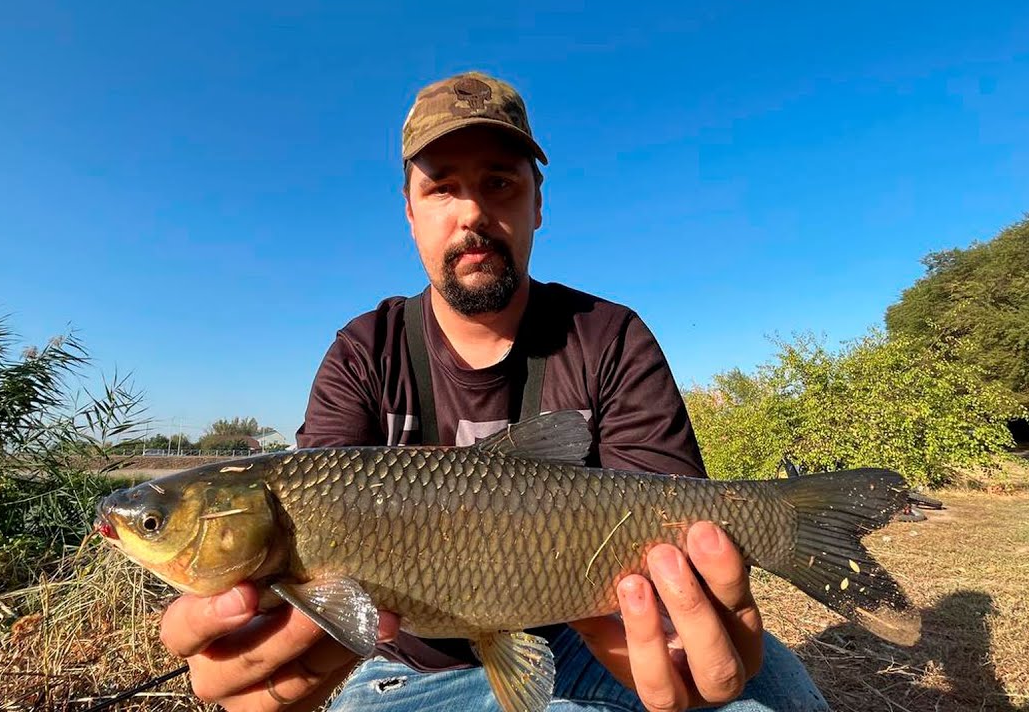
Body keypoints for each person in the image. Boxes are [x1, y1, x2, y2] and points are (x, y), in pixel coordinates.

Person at [157, 72, 830, 712]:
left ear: (538, 204)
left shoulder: (610, 336)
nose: (473, 213)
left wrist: (676, 628)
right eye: (442, 189)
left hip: (591, 633)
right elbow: (339, 618)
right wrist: (270, 648)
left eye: (500, 184)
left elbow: (668, 530)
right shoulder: (364, 351)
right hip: (410, 668)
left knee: (770, 695)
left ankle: (794, 525)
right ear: (410, 214)